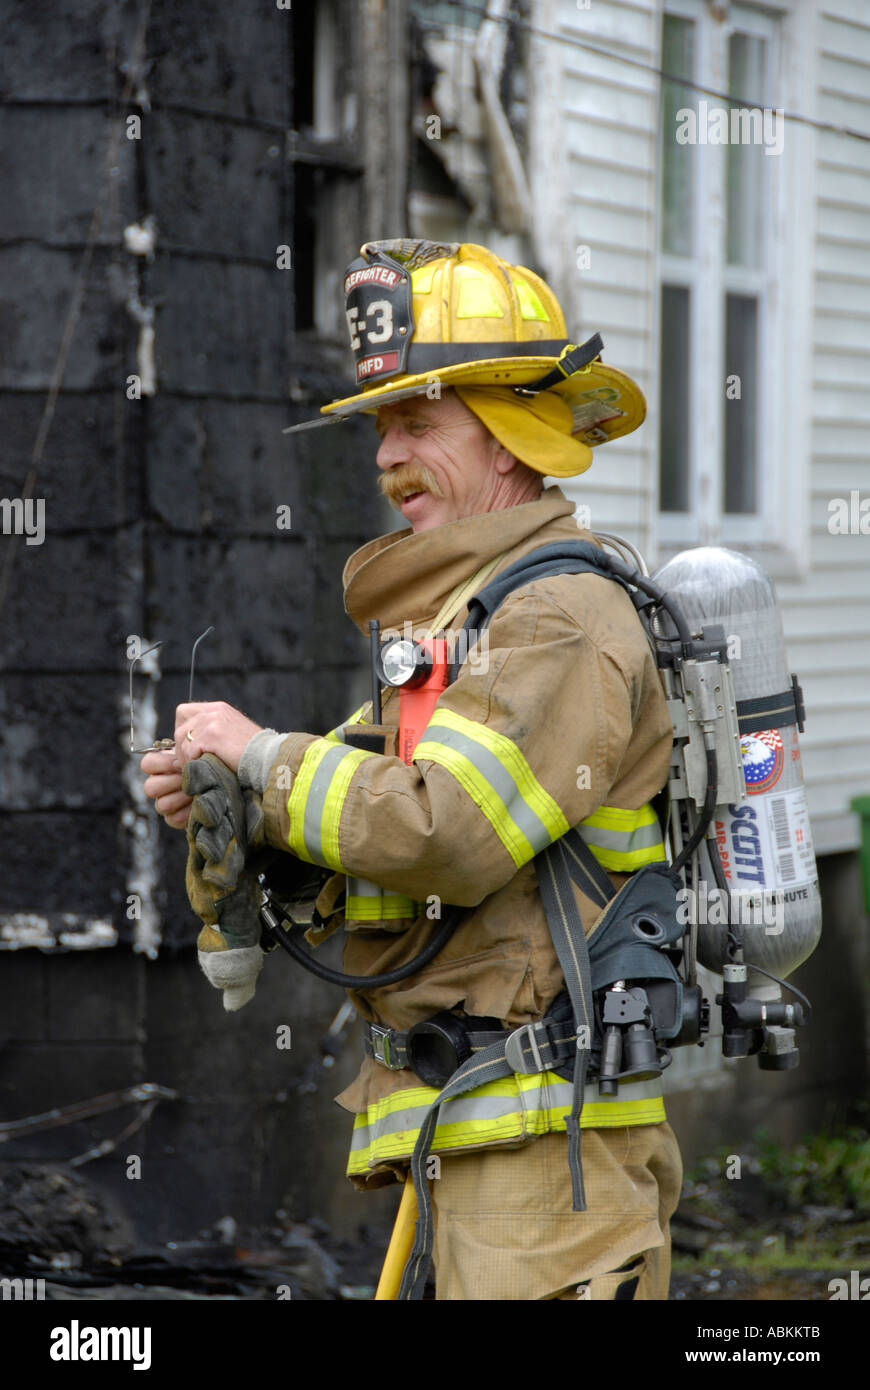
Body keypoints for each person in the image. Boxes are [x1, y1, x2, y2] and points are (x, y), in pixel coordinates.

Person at [140, 239, 683, 1300]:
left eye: (419, 421)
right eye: (382, 425)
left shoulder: (558, 618)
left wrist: (260, 756)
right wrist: (235, 805)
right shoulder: (461, 626)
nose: (389, 455)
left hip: (547, 1174)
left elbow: (448, 834)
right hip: (471, 1144)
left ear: (512, 434)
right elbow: (366, 833)